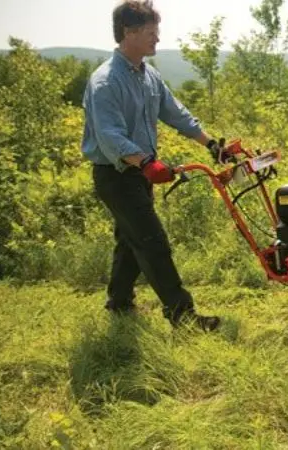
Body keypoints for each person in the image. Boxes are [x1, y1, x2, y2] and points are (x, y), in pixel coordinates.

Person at [81, 0, 227, 331]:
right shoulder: (105, 82)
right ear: (129, 33)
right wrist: (146, 162)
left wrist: (212, 145)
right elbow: (109, 137)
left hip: (140, 173)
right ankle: (182, 315)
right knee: (151, 241)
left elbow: (176, 113)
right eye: (151, 33)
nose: (157, 40)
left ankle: (118, 303)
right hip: (116, 175)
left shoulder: (149, 77)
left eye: (156, 32)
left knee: (131, 239)